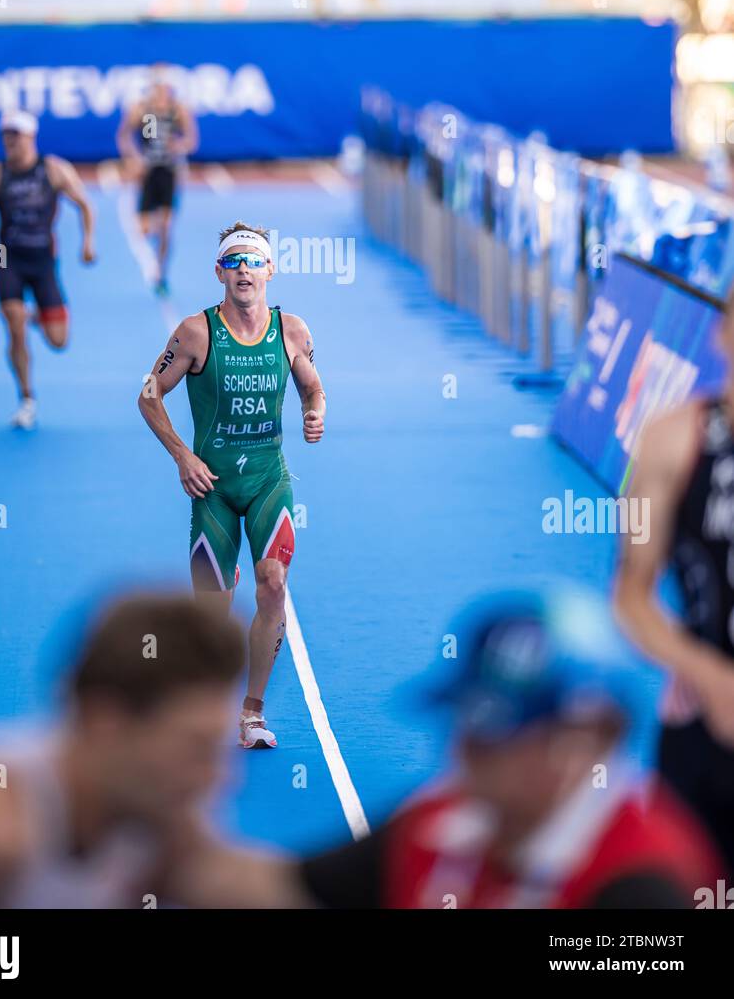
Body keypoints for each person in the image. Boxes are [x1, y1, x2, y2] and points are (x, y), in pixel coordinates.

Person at [0, 592, 310, 909]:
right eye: (196, 749)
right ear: (106, 723)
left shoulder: (158, 819)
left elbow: (255, 887)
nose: (223, 778)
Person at [295, 584, 722, 908]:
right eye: (461, 720)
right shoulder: (443, 818)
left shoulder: (643, 886)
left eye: (495, 731)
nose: (464, 751)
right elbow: (283, 888)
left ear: (588, 739)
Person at [138, 222, 326, 748]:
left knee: (273, 583)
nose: (244, 270)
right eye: (234, 261)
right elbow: (149, 395)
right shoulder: (195, 332)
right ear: (219, 271)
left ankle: (251, 713)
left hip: (268, 480)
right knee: (211, 612)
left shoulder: (292, 331)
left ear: (271, 269)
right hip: (213, 487)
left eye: (253, 261)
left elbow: (313, 388)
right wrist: (183, 456)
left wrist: (316, 413)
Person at [614, 297, 734, 878]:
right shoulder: (669, 441)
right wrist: (708, 676)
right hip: (705, 725)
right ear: (724, 335)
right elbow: (631, 595)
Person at [0, 109, 96, 429]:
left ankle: (37, 316)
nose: (10, 142)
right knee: (14, 323)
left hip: (43, 260)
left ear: (31, 137)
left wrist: (87, 243)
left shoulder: (53, 170)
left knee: (59, 340)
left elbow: (85, 205)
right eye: (6, 136)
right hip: (6, 256)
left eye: (16, 135)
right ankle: (26, 398)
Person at [116, 68, 198, 295]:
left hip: (169, 172)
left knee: (166, 227)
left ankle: (162, 273)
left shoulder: (177, 110)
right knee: (143, 229)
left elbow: (191, 139)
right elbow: (123, 136)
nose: (160, 91)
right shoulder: (141, 109)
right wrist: (133, 158)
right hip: (147, 173)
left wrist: (179, 146)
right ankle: (154, 237)